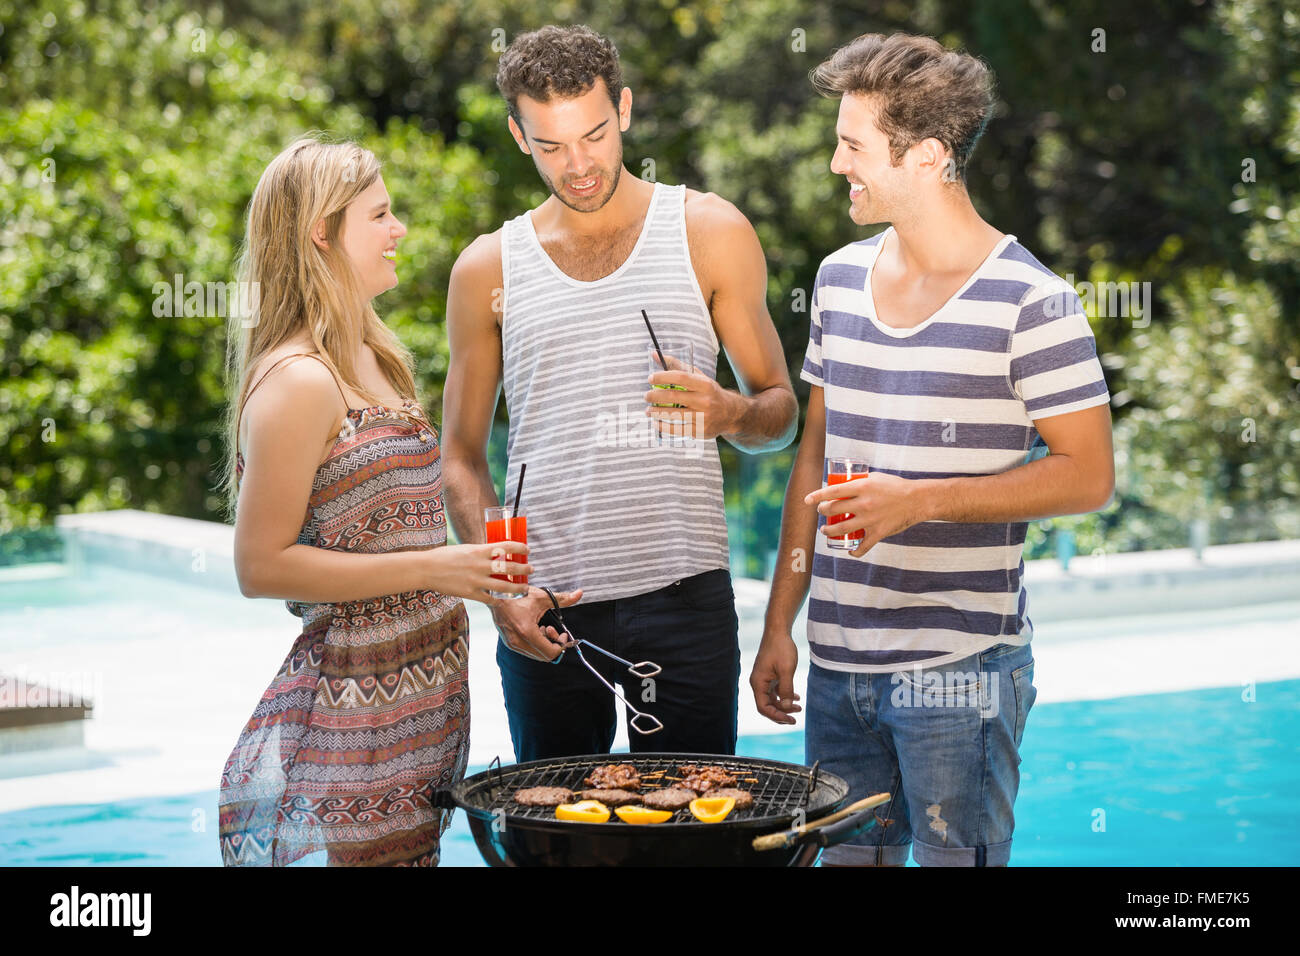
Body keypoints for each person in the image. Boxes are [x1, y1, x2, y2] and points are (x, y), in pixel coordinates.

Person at [751, 33, 1115, 867]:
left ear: (927, 157)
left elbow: (1090, 476)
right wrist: (781, 622)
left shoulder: (1034, 303)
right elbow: (814, 456)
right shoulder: (839, 280)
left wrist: (920, 500)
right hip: (838, 670)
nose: (836, 163)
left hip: (962, 674)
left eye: (853, 145)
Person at [442, 25, 798, 761]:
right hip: (544, 608)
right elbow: (461, 458)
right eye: (550, 145)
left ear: (626, 109)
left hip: (684, 598)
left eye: (595, 135)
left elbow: (780, 413)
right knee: (559, 830)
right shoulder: (485, 269)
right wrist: (501, 590)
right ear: (517, 135)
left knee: (691, 829)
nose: (577, 165)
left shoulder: (709, 230)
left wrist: (730, 412)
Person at [217, 135, 530, 866]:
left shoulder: (374, 354)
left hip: (419, 717)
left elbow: (400, 542)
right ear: (322, 232)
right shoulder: (298, 379)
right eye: (380, 215)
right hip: (353, 735)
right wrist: (438, 569)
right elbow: (260, 566)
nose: (401, 231)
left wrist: (491, 587)